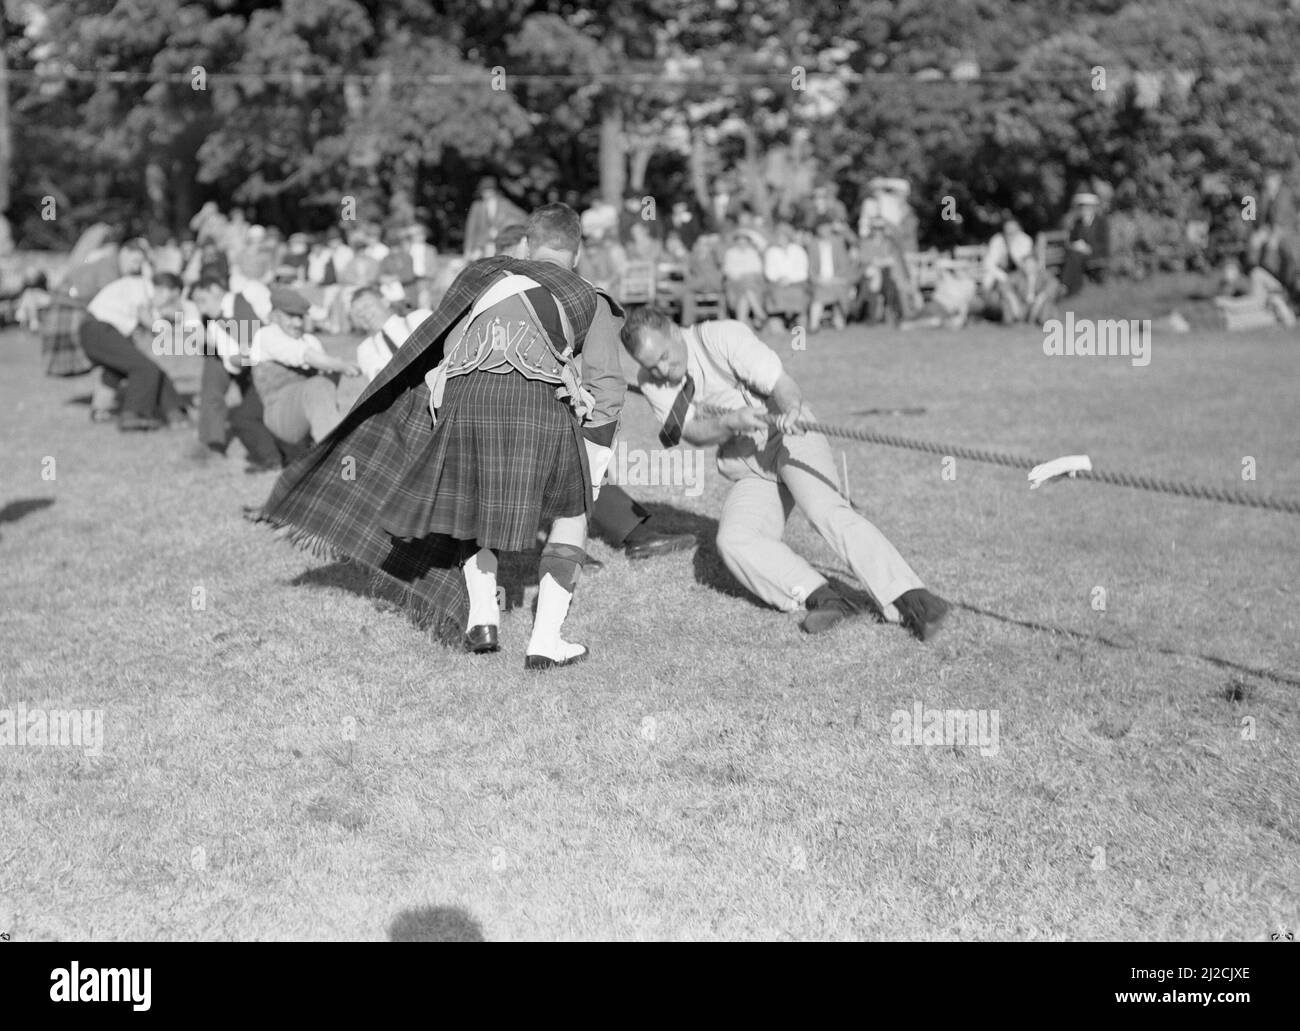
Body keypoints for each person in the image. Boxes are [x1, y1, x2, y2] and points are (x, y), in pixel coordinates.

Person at [253, 204, 627, 669]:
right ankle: (546, 642)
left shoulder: (486, 280)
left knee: (468, 506)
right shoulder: (588, 297)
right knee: (572, 516)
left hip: (465, 401)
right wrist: (593, 457)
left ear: (527, 246)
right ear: (577, 252)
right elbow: (608, 385)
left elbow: (448, 349)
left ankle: (483, 618)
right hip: (537, 407)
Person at [622, 306, 950, 640]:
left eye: (664, 356)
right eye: (652, 365)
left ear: (676, 331)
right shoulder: (651, 381)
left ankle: (914, 600)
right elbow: (690, 432)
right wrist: (729, 423)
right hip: (748, 462)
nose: (662, 369)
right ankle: (825, 598)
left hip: (789, 437)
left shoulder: (723, 336)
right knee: (735, 539)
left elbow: (782, 384)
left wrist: (792, 409)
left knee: (824, 511)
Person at [189, 278, 306, 472]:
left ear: (216, 288)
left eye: (202, 300)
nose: (201, 309)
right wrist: (251, 358)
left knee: (262, 413)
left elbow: (279, 318)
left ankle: (285, 454)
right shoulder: (215, 326)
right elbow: (233, 363)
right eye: (197, 303)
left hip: (285, 362)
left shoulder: (250, 294)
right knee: (247, 413)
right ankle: (219, 445)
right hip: (259, 369)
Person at [248, 287, 361, 451]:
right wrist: (340, 365)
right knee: (317, 385)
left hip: (309, 415)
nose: (297, 323)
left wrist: (337, 369)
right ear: (274, 316)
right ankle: (338, 456)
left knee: (322, 386)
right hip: (279, 414)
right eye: (291, 316)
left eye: (300, 317)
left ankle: (336, 455)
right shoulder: (266, 335)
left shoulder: (310, 340)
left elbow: (328, 382)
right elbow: (302, 355)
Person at [79, 270, 189, 431]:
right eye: (172, 299)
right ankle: (134, 416)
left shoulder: (141, 290)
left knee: (124, 369)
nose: (167, 305)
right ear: (165, 289)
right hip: (99, 330)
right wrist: (173, 333)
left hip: (100, 331)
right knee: (145, 369)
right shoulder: (141, 286)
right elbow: (144, 317)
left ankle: (175, 414)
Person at [350, 287, 433, 383]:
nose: (364, 314)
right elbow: (380, 380)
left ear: (385, 301)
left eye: (367, 306)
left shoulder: (421, 317)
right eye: (358, 312)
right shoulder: (365, 349)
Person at [806, 218, 853, 330]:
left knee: (840, 289)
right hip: (820, 281)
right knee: (819, 294)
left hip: (837, 279)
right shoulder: (813, 244)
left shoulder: (838, 242)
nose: (824, 230)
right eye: (821, 228)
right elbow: (810, 268)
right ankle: (814, 325)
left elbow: (844, 264)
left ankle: (839, 319)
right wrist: (817, 279)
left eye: (826, 227)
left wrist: (844, 229)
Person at [463, 177, 527, 259]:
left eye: (488, 190)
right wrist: (468, 248)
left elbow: (522, 216)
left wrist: (504, 227)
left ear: (494, 190)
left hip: (499, 242)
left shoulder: (504, 203)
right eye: (484, 190)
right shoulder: (477, 205)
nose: (485, 193)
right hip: (480, 245)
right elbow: (471, 228)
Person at [1060, 192, 1110, 296]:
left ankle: (1066, 286)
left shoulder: (1101, 222)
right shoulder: (1078, 223)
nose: (1084, 210)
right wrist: (1075, 246)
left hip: (1097, 253)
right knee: (1075, 256)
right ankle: (1072, 289)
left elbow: (1104, 243)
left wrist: (1089, 248)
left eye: (1086, 207)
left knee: (1074, 257)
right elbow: (1071, 241)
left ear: (1092, 208)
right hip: (1079, 254)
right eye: (1082, 207)